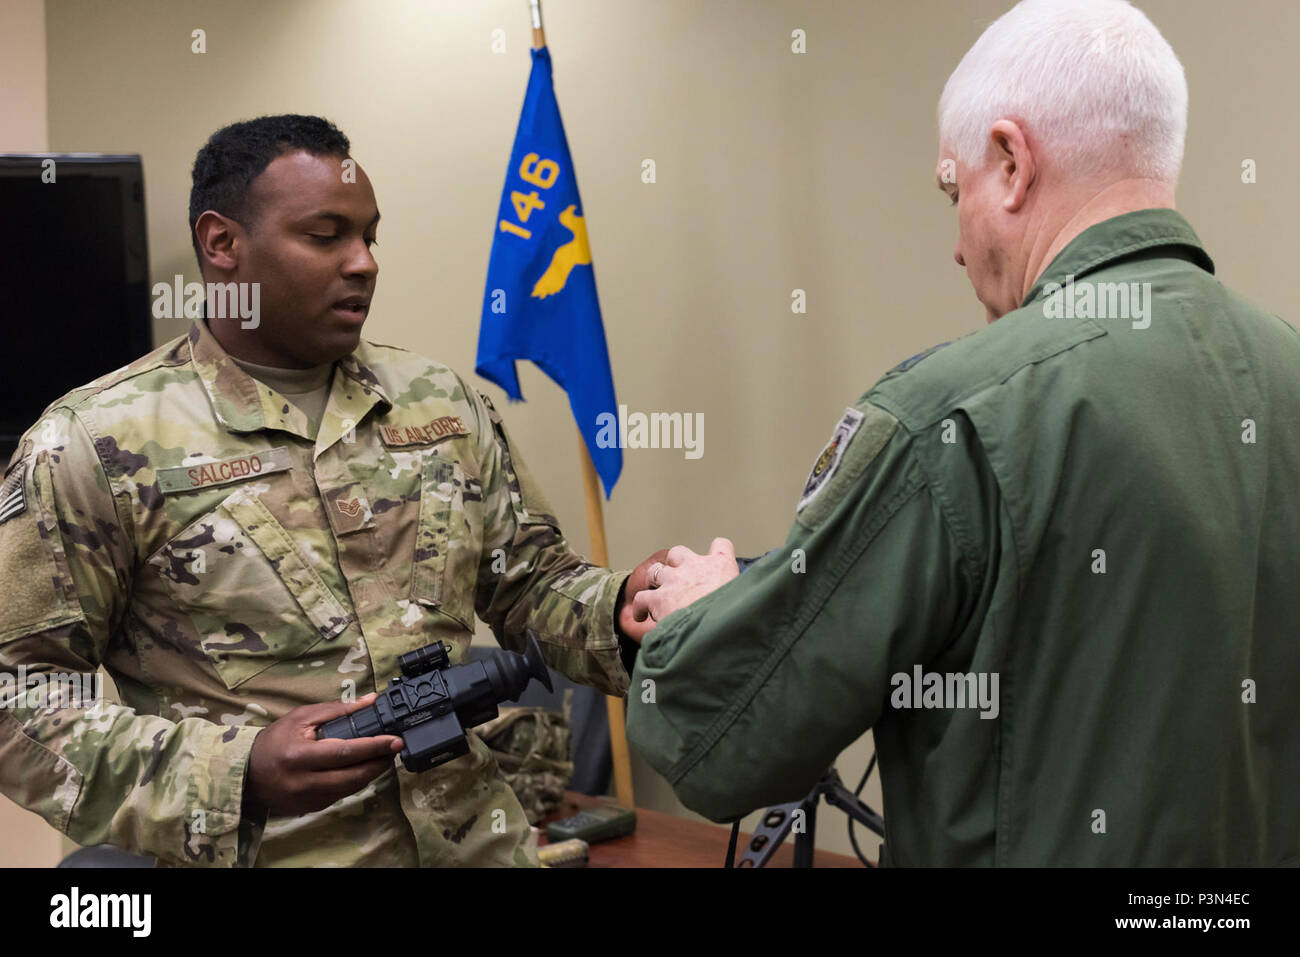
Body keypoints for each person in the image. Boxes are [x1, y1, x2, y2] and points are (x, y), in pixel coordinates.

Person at [624, 0, 1300, 865]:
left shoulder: (953, 412)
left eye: (956, 190)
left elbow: (719, 738)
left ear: (1013, 163)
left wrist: (702, 618)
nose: (954, 244)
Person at [0, 114, 656, 867]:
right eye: (326, 235)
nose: (363, 262)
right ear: (221, 244)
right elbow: (20, 700)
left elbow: (533, 586)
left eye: (370, 237)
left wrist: (625, 609)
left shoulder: (439, 403)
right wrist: (235, 773)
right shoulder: (94, 442)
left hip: (478, 847)